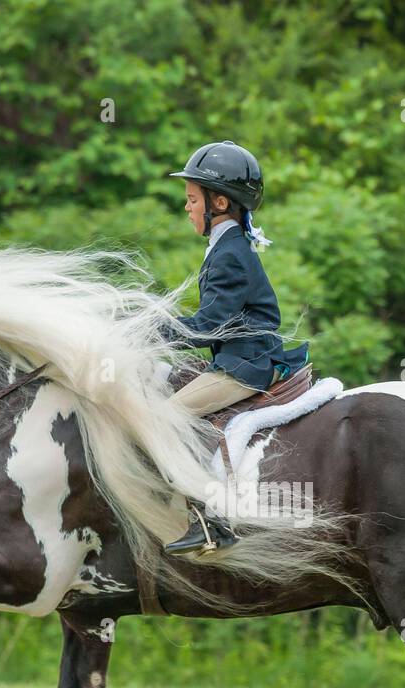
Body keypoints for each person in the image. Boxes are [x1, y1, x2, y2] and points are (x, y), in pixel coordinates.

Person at [162, 140, 309, 556]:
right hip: (238, 358)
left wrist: (151, 331)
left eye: (192, 200)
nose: (187, 208)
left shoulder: (229, 254)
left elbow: (209, 326)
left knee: (167, 418)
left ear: (219, 202)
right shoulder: (226, 248)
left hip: (244, 366)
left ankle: (211, 522)